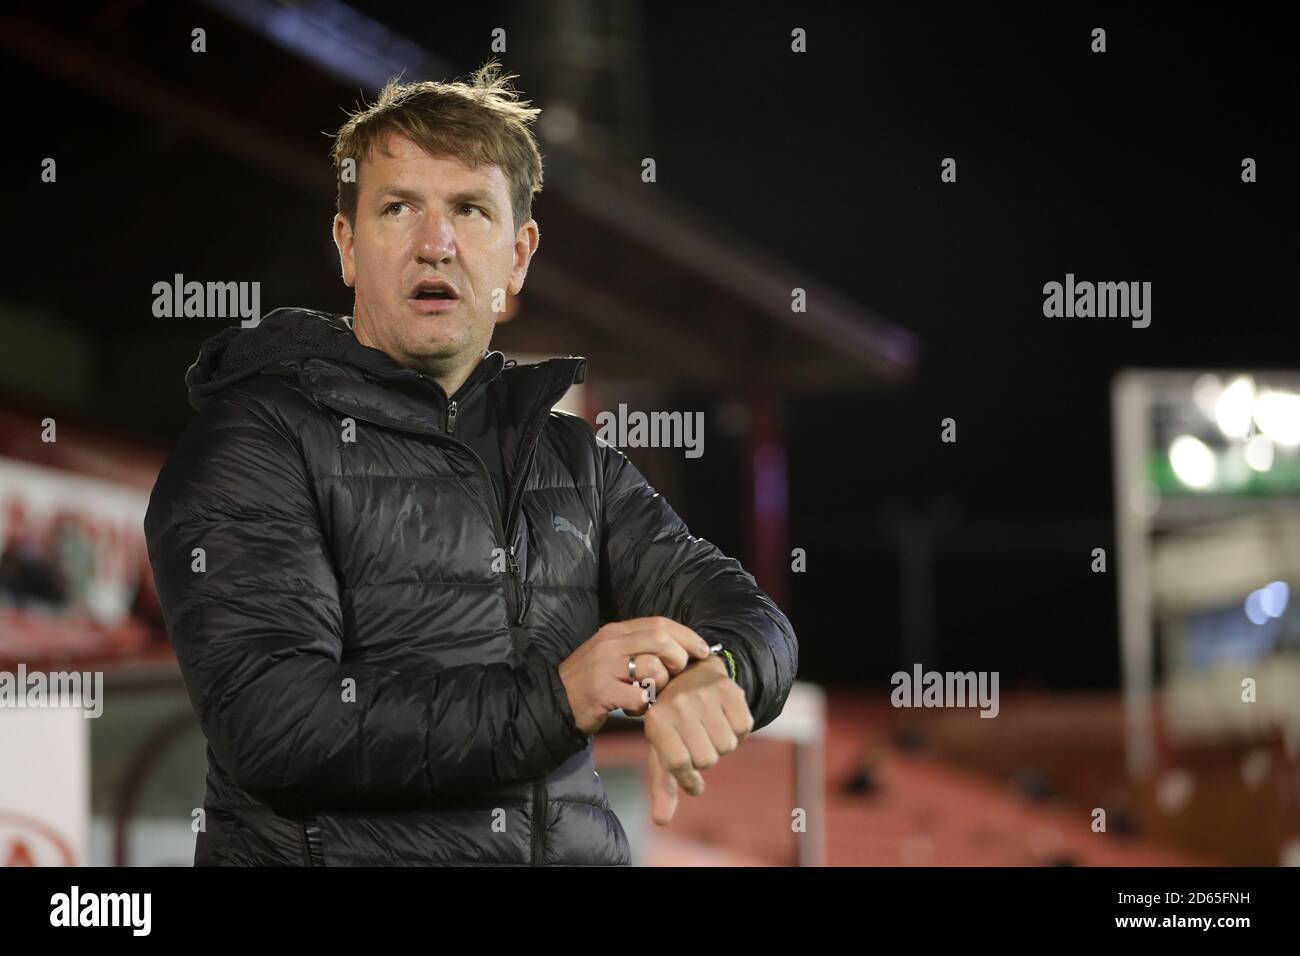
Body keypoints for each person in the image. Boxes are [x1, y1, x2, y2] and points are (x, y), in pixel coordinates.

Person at [143, 61, 798, 866]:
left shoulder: (578, 465)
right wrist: (557, 698)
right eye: (398, 208)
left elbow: (749, 613)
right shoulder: (252, 440)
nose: (435, 242)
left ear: (517, 259)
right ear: (348, 246)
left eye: (470, 210)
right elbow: (276, 724)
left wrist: (718, 671)